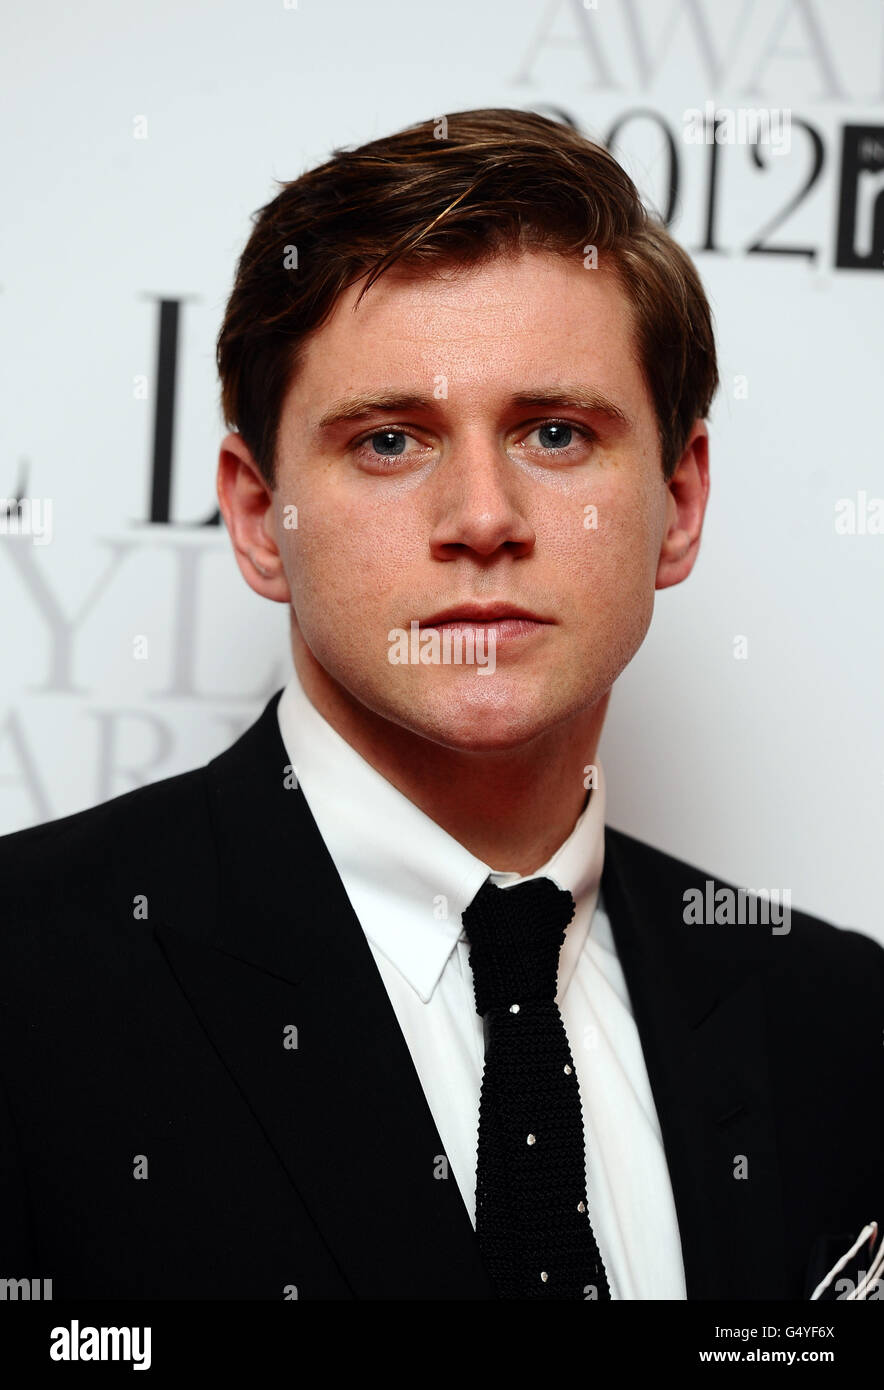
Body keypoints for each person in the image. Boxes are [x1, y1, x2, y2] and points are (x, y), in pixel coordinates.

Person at [0, 108, 880, 1302]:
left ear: (675, 502)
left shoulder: (838, 1021)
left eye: (555, 432)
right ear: (259, 519)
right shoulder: (29, 978)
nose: (479, 516)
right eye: (389, 441)